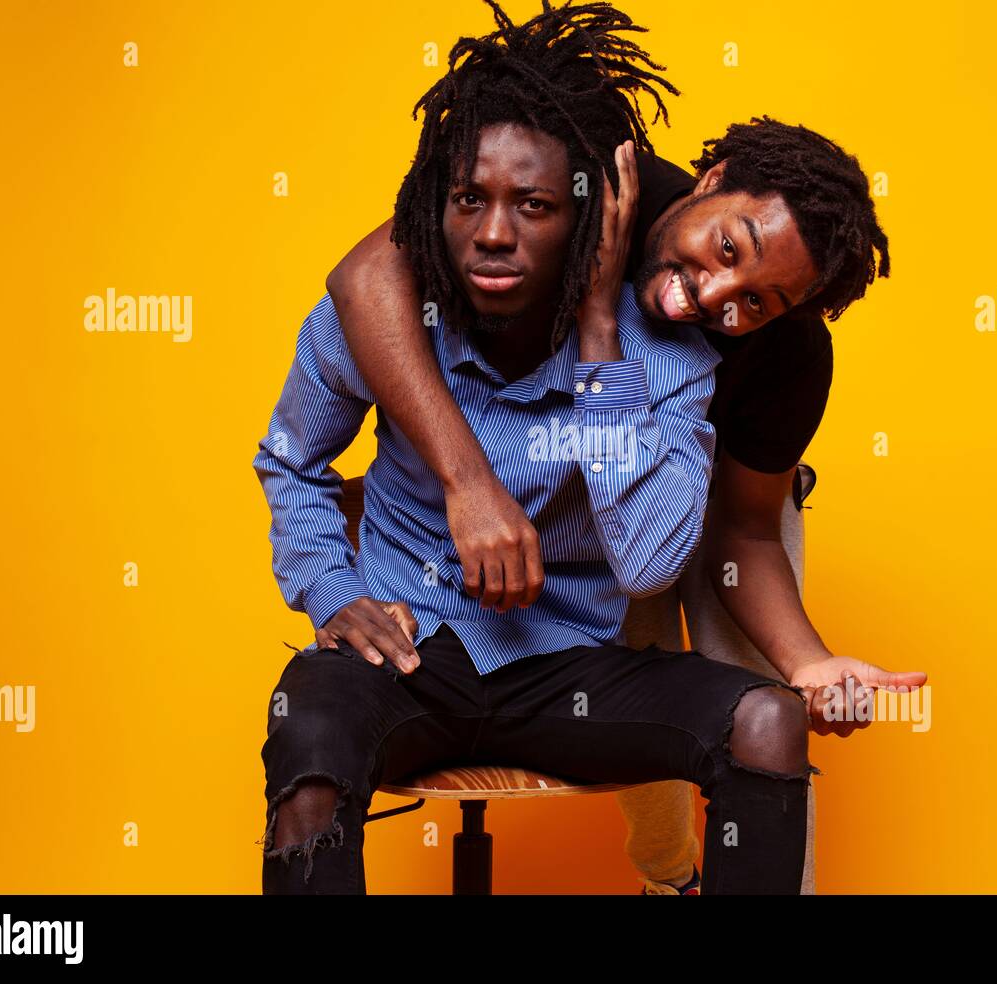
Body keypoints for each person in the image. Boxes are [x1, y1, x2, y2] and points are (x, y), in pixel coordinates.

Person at [252, 0, 821, 895]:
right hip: (411, 656)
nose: (492, 232)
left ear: (590, 219)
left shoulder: (672, 350)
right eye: (471, 200)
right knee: (309, 717)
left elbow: (651, 563)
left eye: (535, 207)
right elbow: (291, 459)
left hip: (572, 669)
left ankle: (672, 877)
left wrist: (600, 340)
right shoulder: (390, 305)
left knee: (765, 720)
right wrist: (334, 589)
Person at [324, 84, 928, 896]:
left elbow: (744, 533)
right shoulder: (594, 179)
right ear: (708, 181)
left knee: (764, 717)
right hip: (599, 479)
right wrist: (465, 484)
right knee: (637, 691)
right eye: (725, 248)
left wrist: (808, 663)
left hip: (713, 499)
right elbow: (364, 280)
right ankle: (672, 878)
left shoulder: (789, 358)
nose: (716, 297)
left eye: (759, 301)